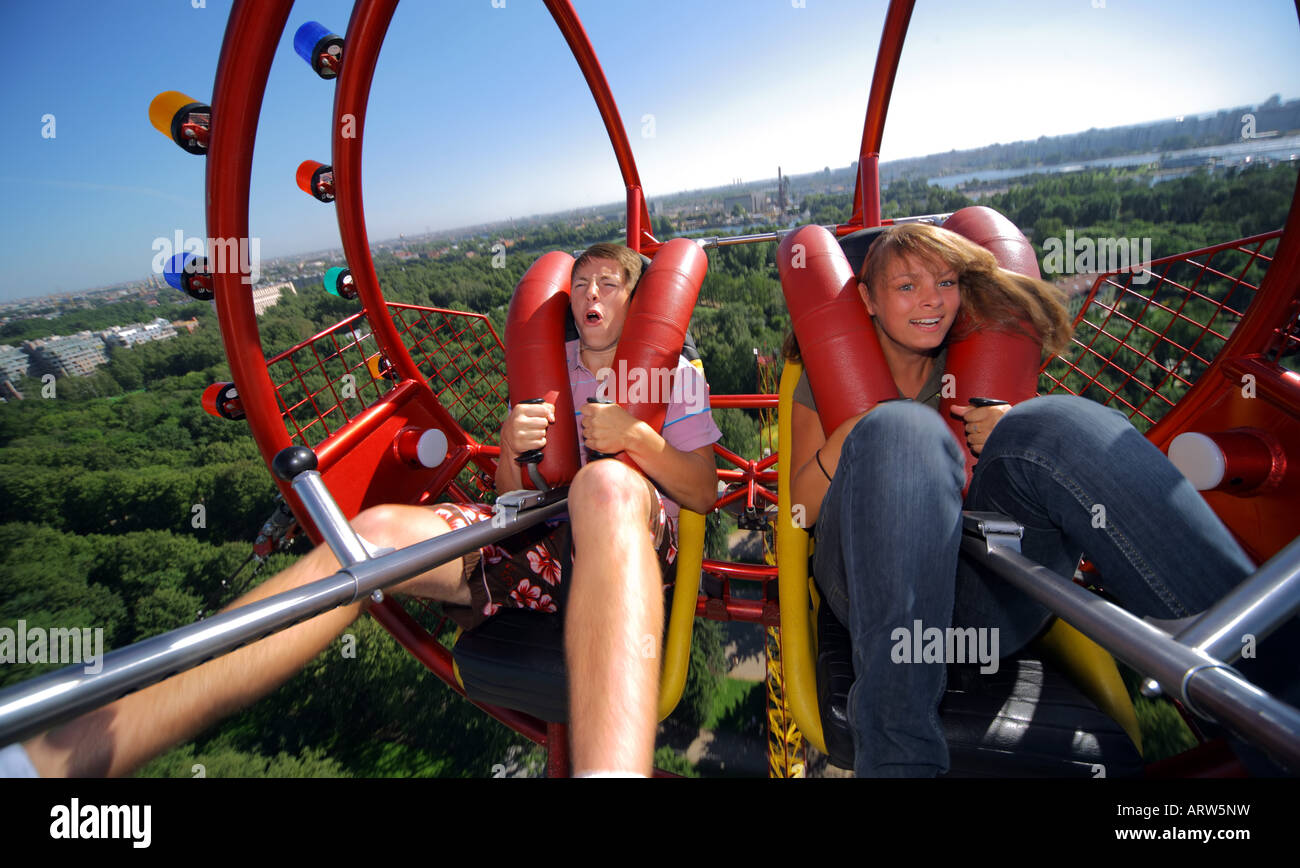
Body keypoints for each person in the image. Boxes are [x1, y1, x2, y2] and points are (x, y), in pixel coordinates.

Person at [10, 242, 720, 778]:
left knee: (603, 488)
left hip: (627, 542)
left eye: (609, 283)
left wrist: (637, 442)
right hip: (533, 546)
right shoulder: (546, 371)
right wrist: (511, 444)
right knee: (375, 533)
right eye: (581, 283)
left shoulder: (675, 376)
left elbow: (702, 489)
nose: (591, 293)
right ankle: (74, 744)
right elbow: (513, 489)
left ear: (636, 299)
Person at [786, 222, 1268, 778]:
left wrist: (1011, 428)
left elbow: (1026, 484)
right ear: (867, 299)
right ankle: (899, 761)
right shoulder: (825, 375)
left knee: (1056, 420)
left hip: (980, 594)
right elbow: (802, 509)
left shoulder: (972, 364)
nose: (931, 301)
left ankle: (1267, 684)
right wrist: (852, 437)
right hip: (873, 586)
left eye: (945, 282)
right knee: (903, 431)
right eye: (906, 286)